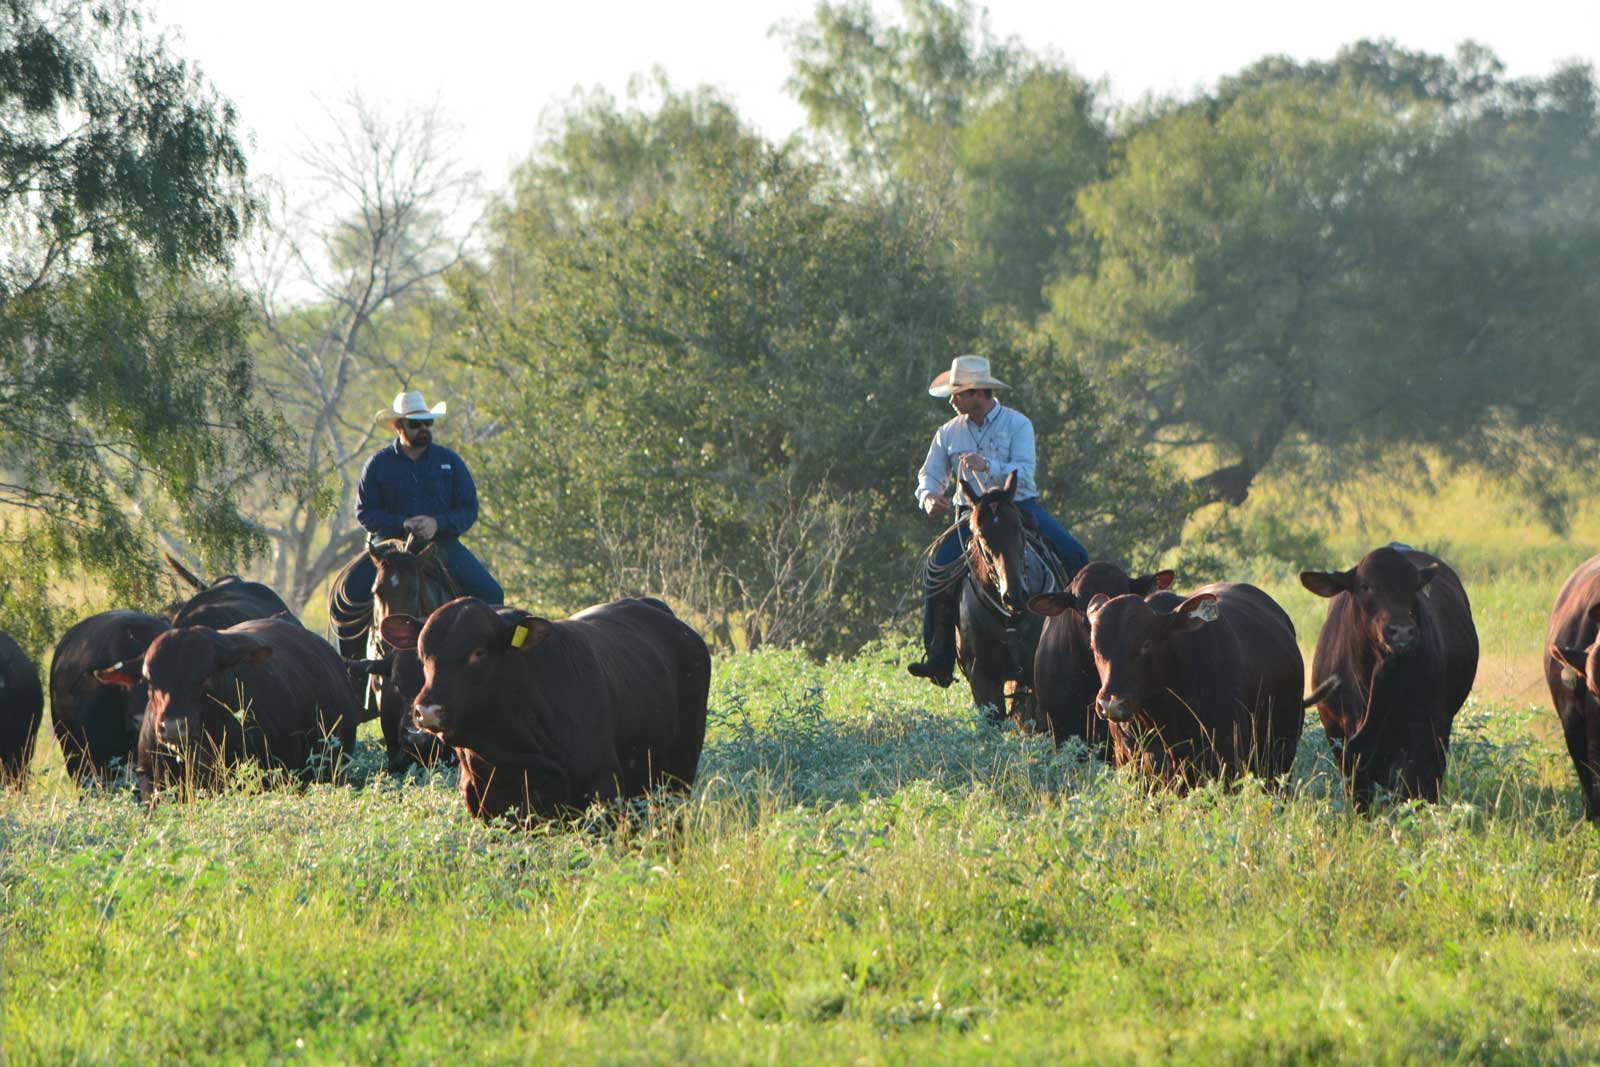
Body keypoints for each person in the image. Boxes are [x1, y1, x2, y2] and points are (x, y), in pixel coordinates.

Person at [908, 354, 1088, 687]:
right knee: (937, 567)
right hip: (970, 516)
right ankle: (939, 656)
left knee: (1076, 556)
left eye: (958, 392)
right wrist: (929, 497)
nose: (952, 399)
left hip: (1018, 508)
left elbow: (1024, 469)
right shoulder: (947, 433)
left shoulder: (1018, 424)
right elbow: (929, 475)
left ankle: (1084, 644)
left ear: (978, 392)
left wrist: (987, 464)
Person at [332, 390, 503, 658]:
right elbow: (364, 512)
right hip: (387, 549)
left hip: (440, 544)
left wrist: (438, 523)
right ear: (399, 426)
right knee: (347, 596)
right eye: (416, 424)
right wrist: (401, 523)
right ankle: (353, 670)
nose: (424, 428)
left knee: (491, 592)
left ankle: (485, 665)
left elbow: (469, 509)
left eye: (428, 422)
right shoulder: (378, 464)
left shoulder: (450, 461)